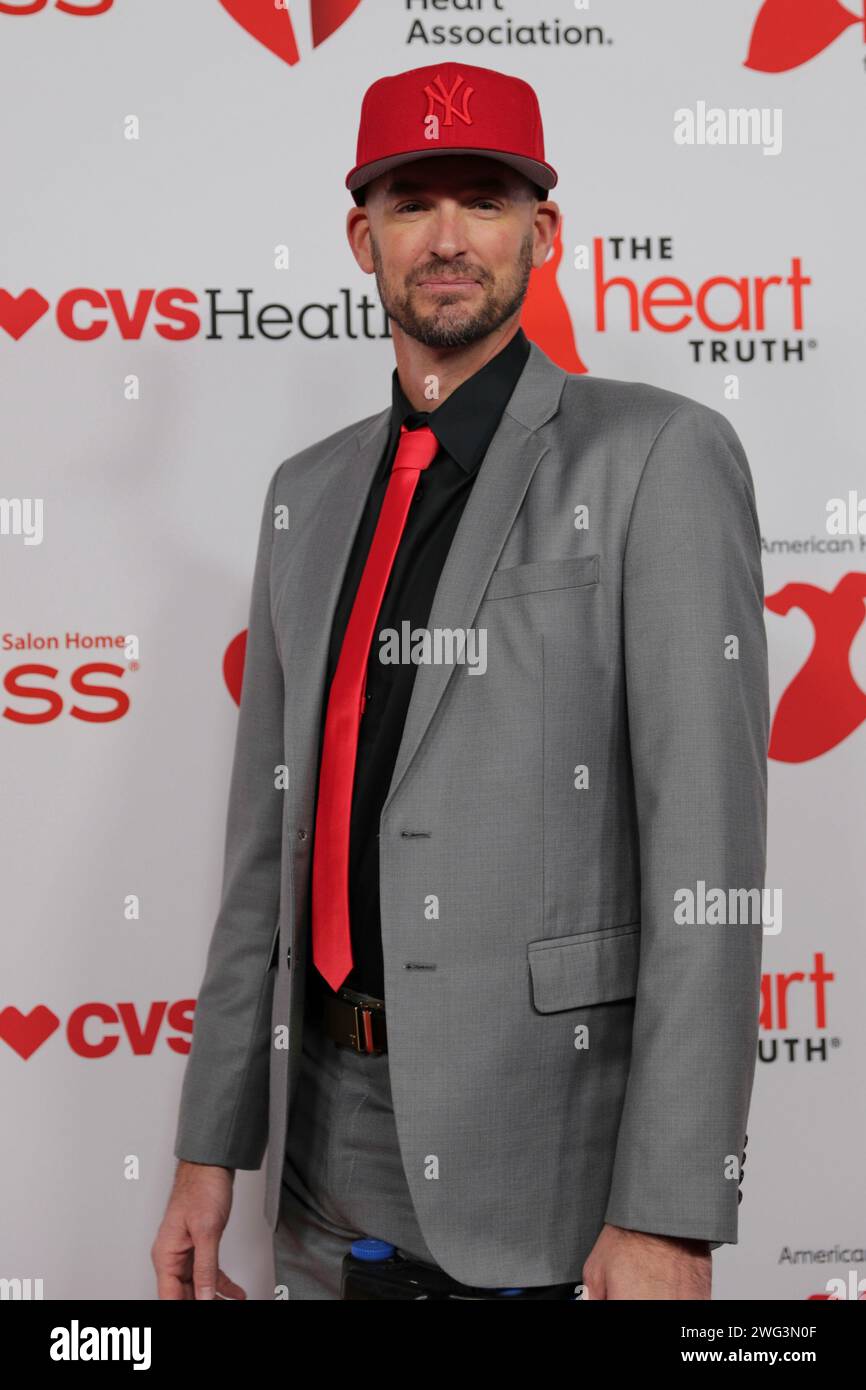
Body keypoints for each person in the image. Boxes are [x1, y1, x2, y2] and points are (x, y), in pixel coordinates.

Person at [152, 60, 769, 1301]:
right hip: (317, 1149)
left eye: (481, 200)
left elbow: (704, 857)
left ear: (540, 232)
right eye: (409, 200)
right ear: (359, 235)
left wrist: (668, 1210)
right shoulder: (305, 493)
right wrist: (211, 1148)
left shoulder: (655, 453)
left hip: (544, 1163)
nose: (444, 238)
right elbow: (263, 857)